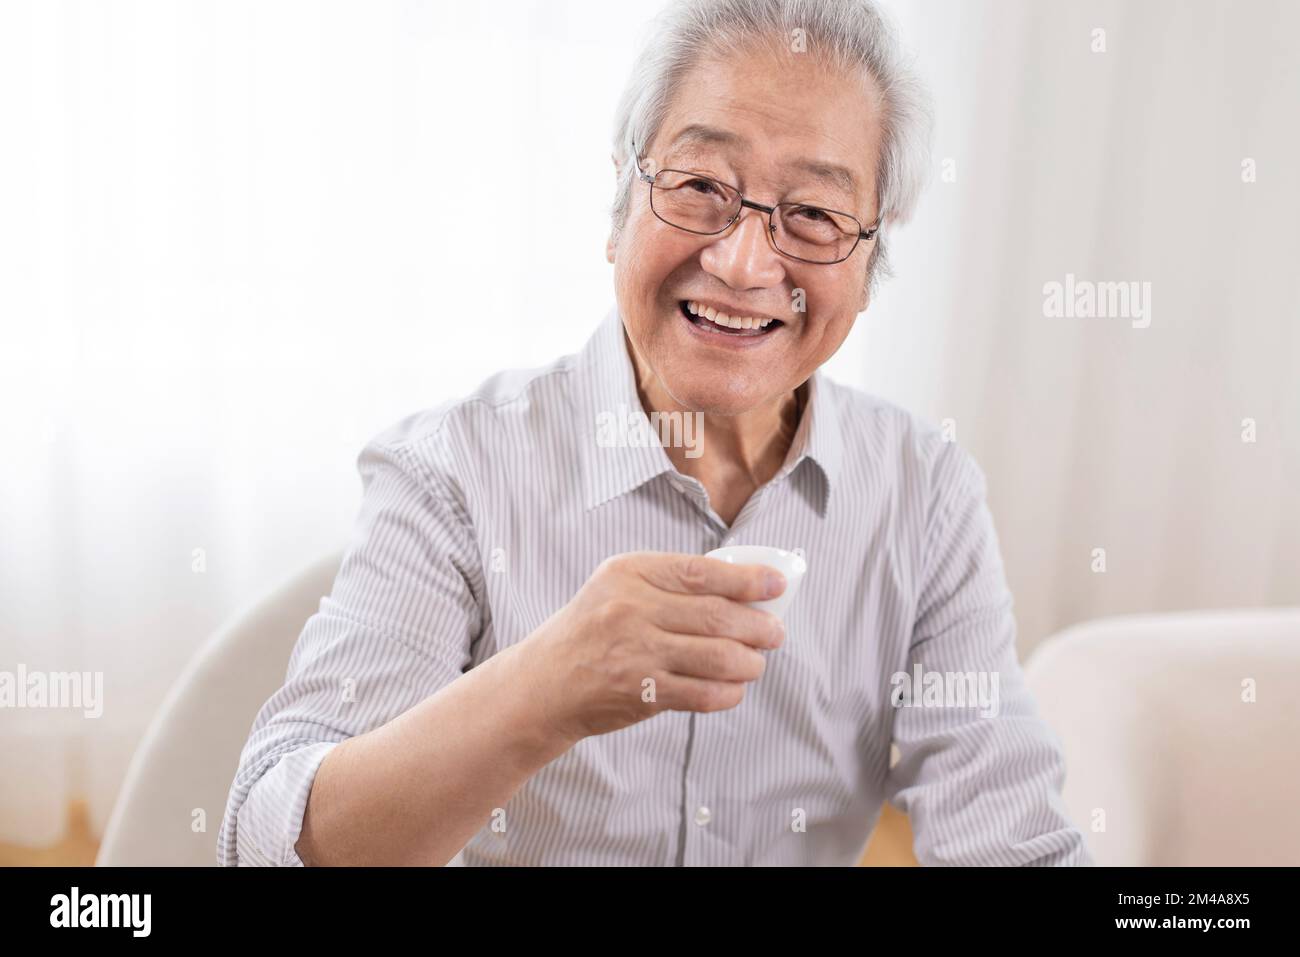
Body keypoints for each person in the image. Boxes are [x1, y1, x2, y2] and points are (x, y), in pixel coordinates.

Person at [218, 0, 1092, 866]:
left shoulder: (925, 494)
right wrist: (545, 686)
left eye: (815, 214)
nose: (743, 263)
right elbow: (267, 846)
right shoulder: (454, 470)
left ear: (870, 263)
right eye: (701, 186)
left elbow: (1012, 841)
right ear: (620, 205)